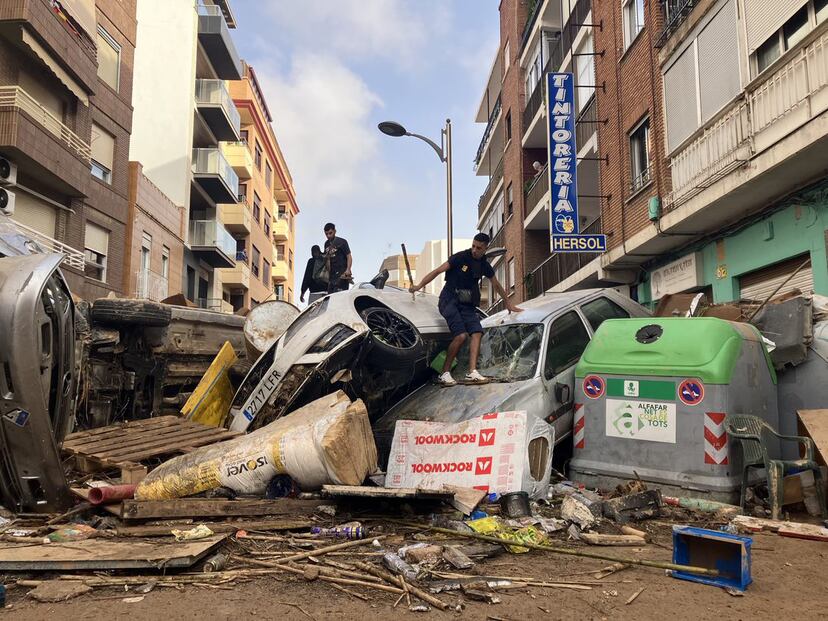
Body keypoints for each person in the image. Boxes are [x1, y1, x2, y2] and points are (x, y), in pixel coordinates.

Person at [410, 233, 521, 385]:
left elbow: (496, 284)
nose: (474, 250)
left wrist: (508, 302)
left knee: (477, 332)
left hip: (466, 304)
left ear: (485, 248)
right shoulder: (460, 257)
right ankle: (445, 373)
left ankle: (472, 372)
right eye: (473, 246)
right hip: (449, 300)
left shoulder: (484, 265)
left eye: (479, 248)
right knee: (461, 336)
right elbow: (437, 271)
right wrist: (418, 286)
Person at [323, 223, 352, 293]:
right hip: (332, 277)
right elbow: (327, 260)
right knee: (330, 296)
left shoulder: (342, 242)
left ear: (335, 231)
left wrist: (348, 269)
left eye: (330, 233)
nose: (328, 236)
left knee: (339, 296)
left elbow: (349, 256)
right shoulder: (326, 244)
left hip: (342, 275)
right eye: (326, 234)